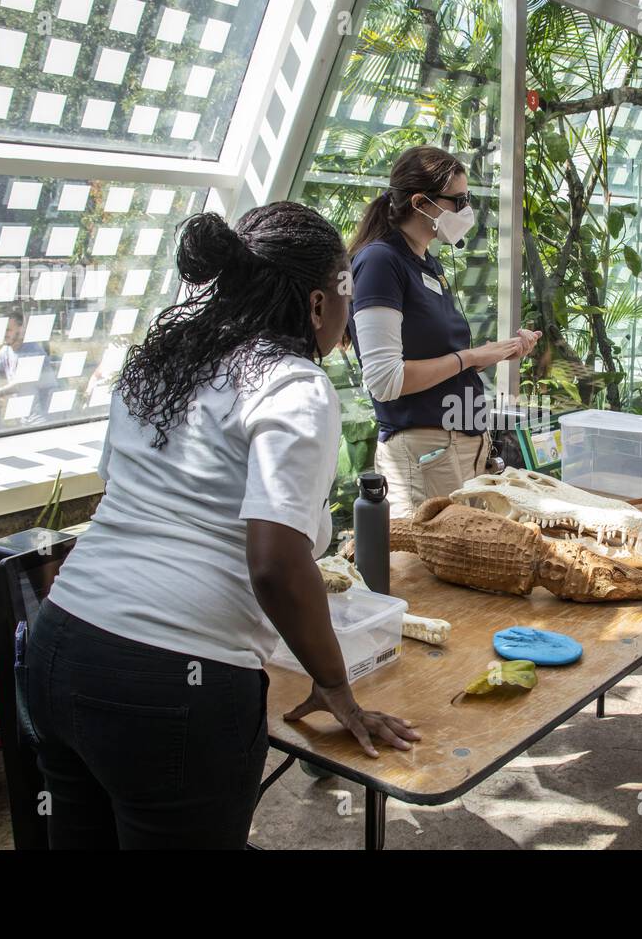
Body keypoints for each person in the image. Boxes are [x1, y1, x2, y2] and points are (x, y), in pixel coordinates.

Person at [29, 203, 420, 849]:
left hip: (62, 646)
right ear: (319, 305)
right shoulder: (294, 385)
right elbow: (274, 561)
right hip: (171, 690)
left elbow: (123, 496)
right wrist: (336, 687)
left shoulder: (156, 368)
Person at [348, 146, 539, 515]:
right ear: (421, 202)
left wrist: (497, 352)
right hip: (425, 453)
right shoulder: (380, 262)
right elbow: (386, 380)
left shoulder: (427, 262)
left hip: (461, 446)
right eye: (459, 200)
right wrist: (470, 357)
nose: (466, 211)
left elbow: (437, 360)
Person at [0, 310, 57, 427]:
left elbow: (18, 385)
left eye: (8, 330)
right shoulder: (5, 350)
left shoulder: (34, 352)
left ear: (21, 330)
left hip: (42, 420)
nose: (4, 334)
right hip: (23, 420)